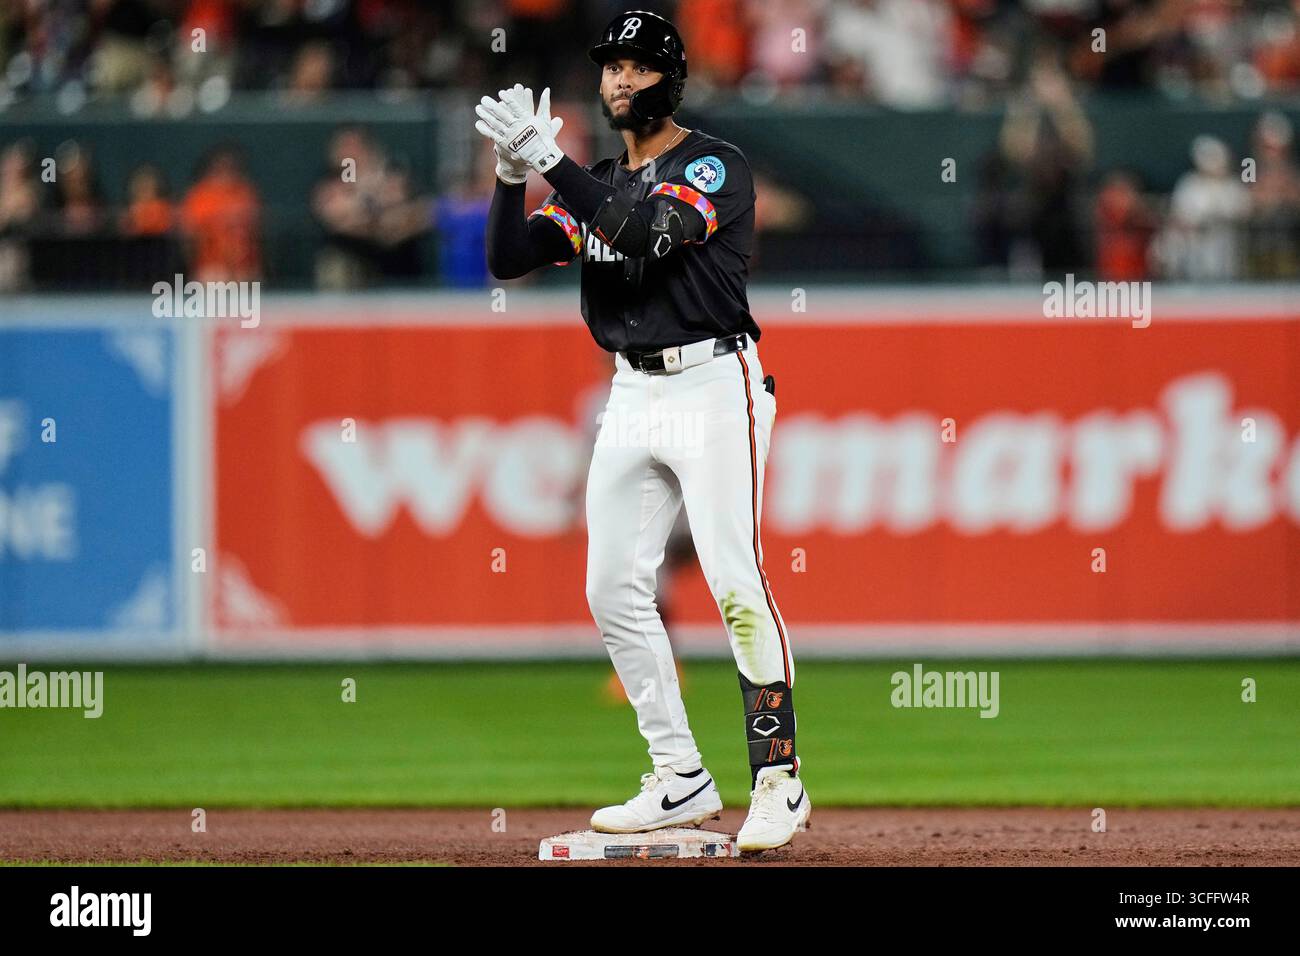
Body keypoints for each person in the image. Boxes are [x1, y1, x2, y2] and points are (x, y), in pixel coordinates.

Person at [476, 9, 808, 853]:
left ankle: (779, 782)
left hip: (712, 379)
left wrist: (552, 163)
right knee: (609, 587)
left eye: (637, 67)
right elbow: (510, 257)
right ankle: (680, 776)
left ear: (671, 78)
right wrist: (514, 175)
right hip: (633, 390)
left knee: (737, 582)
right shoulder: (598, 179)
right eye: (611, 68)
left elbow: (648, 235)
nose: (620, 81)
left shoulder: (712, 163)